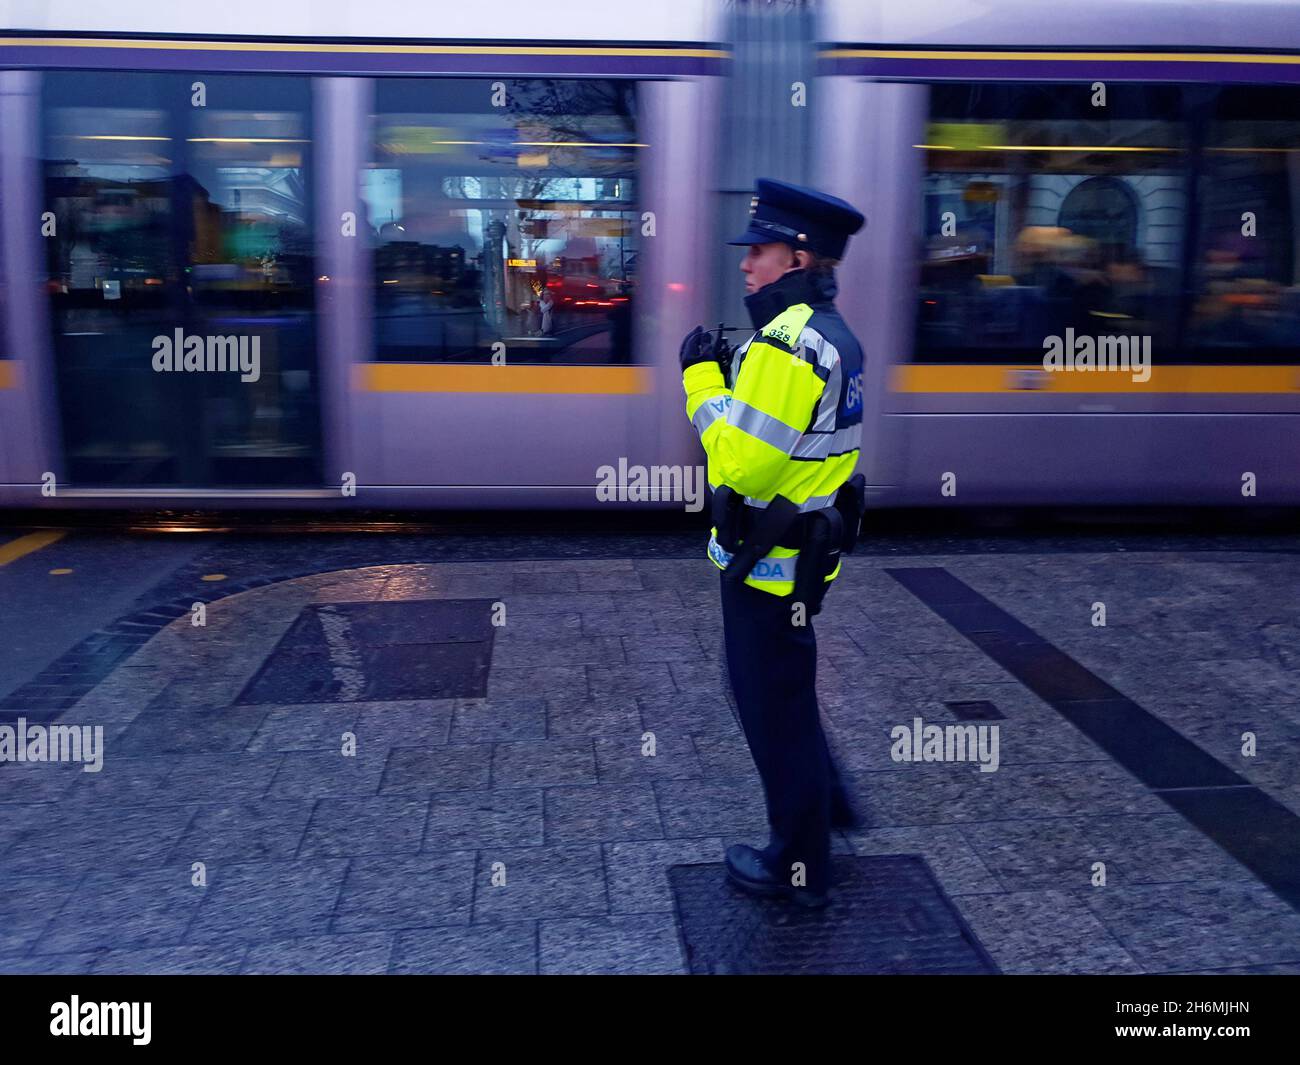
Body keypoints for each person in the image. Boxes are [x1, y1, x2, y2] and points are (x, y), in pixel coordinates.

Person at [680, 178, 867, 909]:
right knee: (784, 696)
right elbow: (788, 442)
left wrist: (700, 381)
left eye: (756, 251)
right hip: (799, 561)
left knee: (772, 711)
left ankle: (798, 864)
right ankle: (832, 804)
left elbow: (739, 463)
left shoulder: (787, 342)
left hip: (766, 567)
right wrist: (737, 383)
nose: (744, 264)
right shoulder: (831, 333)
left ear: (797, 255)